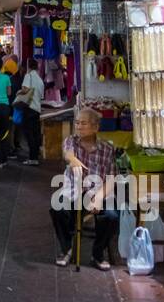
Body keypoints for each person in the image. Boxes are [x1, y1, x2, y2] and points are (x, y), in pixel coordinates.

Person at [50, 107, 117, 270]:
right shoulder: (71, 141)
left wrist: (99, 198)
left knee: (111, 216)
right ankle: (67, 248)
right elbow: (68, 153)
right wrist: (72, 160)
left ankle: (98, 254)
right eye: (77, 123)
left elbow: (111, 177)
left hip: (98, 191)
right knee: (57, 209)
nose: (79, 126)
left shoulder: (107, 149)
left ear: (95, 127)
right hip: (73, 190)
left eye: (83, 123)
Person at [13, 58, 44, 165]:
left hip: (29, 108)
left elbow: (25, 89)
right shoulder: (40, 79)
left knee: (29, 134)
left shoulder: (28, 76)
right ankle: (35, 157)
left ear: (28, 67)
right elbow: (41, 96)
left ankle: (32, 158)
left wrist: (18, 92)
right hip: (37, 109)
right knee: (35, 134)